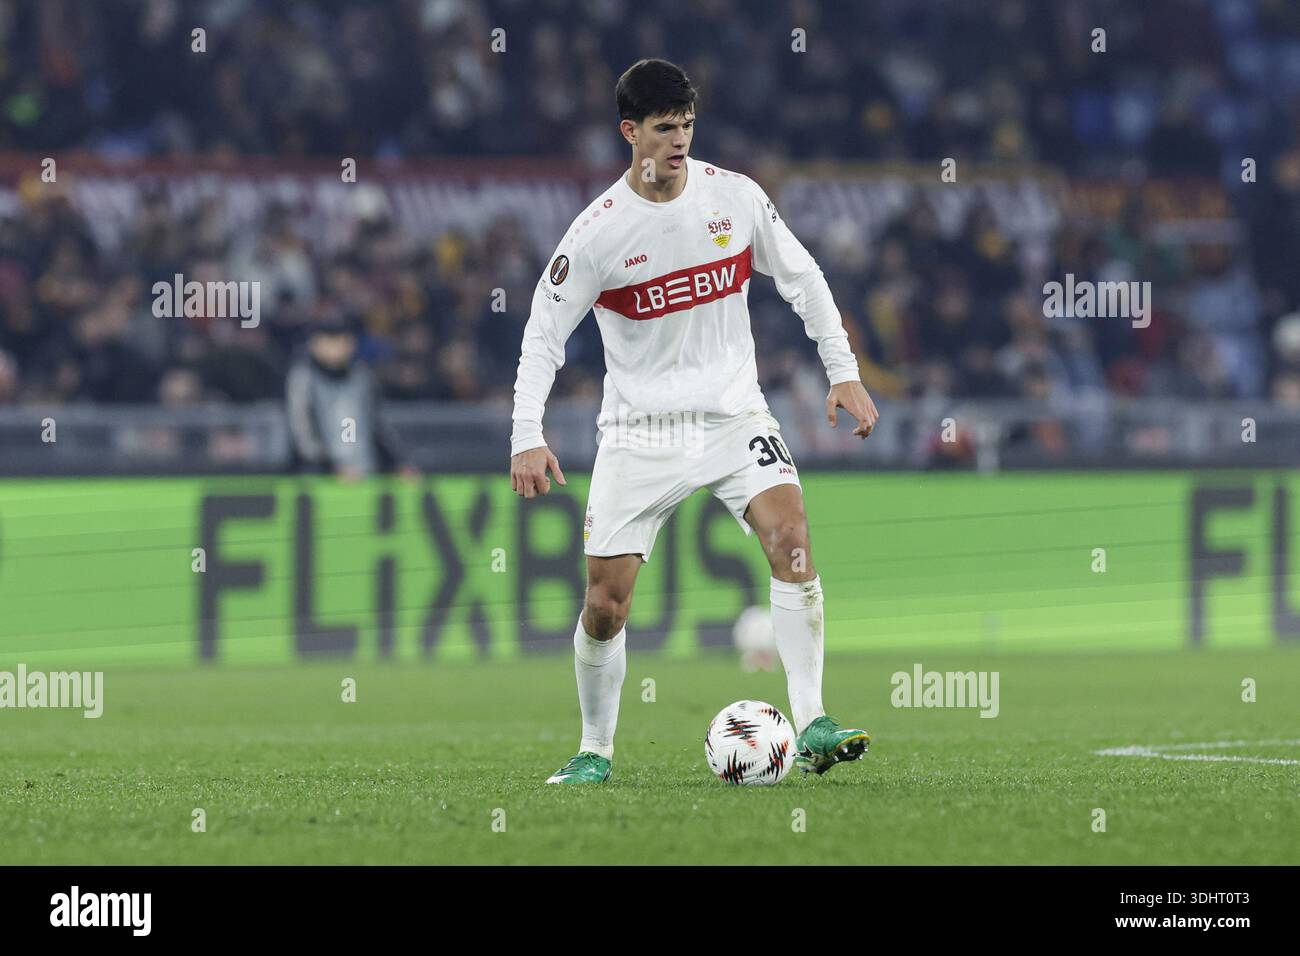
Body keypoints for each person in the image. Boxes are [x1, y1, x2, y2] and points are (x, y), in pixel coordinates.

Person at [510, 59, 880, 784]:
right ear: (630, 133)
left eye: (686, 125)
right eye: (663, 128)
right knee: (606, 606)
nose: (679, 140)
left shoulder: (734, 198)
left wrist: (843, 369)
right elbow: (541, 335)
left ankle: (812, 723)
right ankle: (594, 751)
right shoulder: (596, 234)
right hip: (639, 433)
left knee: (791, 538)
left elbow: (802, 276)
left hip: (733, 415)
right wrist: (527, 431)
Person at [286, 315, 413, 480]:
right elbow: (302, 434)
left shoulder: (362, 377)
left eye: (343, 340)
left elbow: (377, 425)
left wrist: (397, 463)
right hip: (319, 477)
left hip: (364, 474)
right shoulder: (302, 378)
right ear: (315, 344)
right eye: (330, 340)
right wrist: (331, 467)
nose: (338, 346)